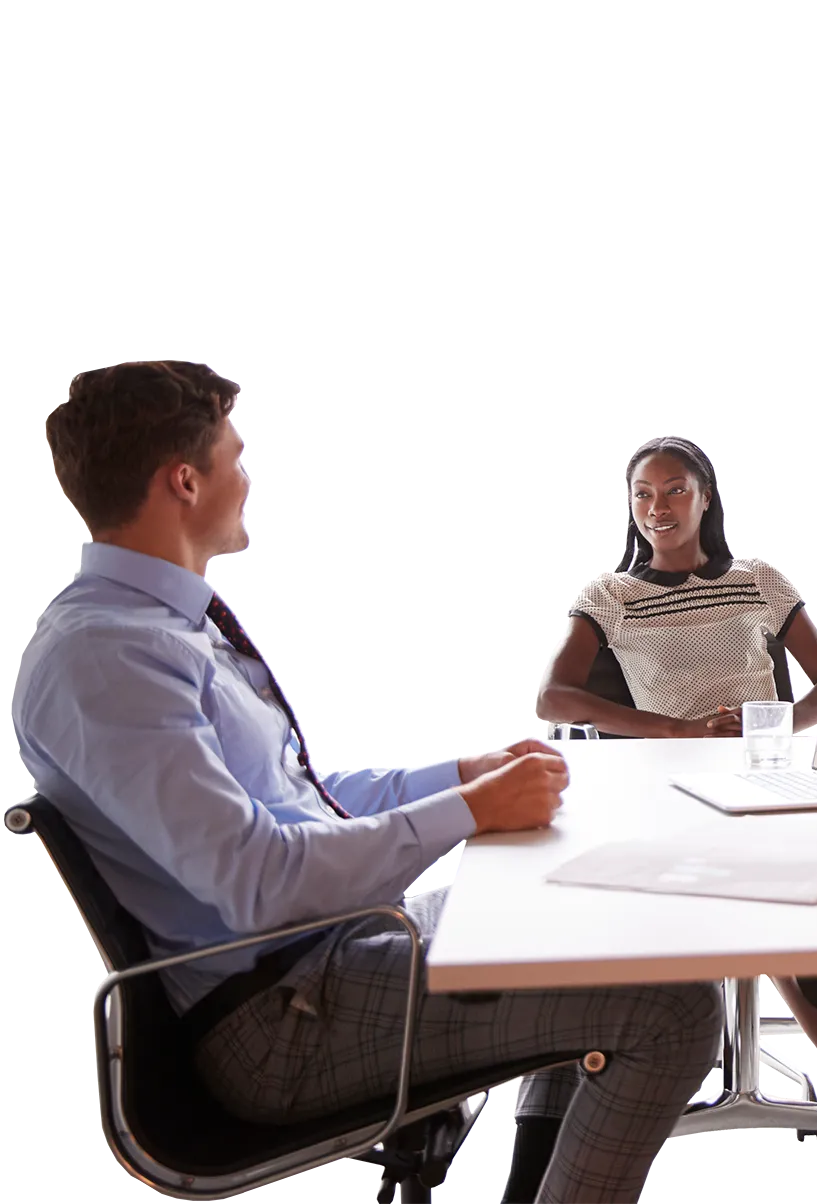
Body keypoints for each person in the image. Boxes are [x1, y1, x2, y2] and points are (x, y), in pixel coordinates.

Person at [11, 362, 723, 1204]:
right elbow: (259, 881)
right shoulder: (108, 655)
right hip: (280, 1021)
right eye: (237, 457)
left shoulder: (155, 627)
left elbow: (294, 801)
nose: (247, 479)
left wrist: (459, 780)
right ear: (185, 480)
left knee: (591, 919)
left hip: (320, 961)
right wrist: (465, 814)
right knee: (675, 1007)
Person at [533, 435, 817, 1046]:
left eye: (676, 491)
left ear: (705, 498)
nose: (659, 507)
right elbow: (556, 697)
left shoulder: (759, 581)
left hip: (766, 771)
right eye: (643, 494)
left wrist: (777, 720)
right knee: (767, 873)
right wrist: (681, 729)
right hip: (672, 787)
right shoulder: (610, 597)